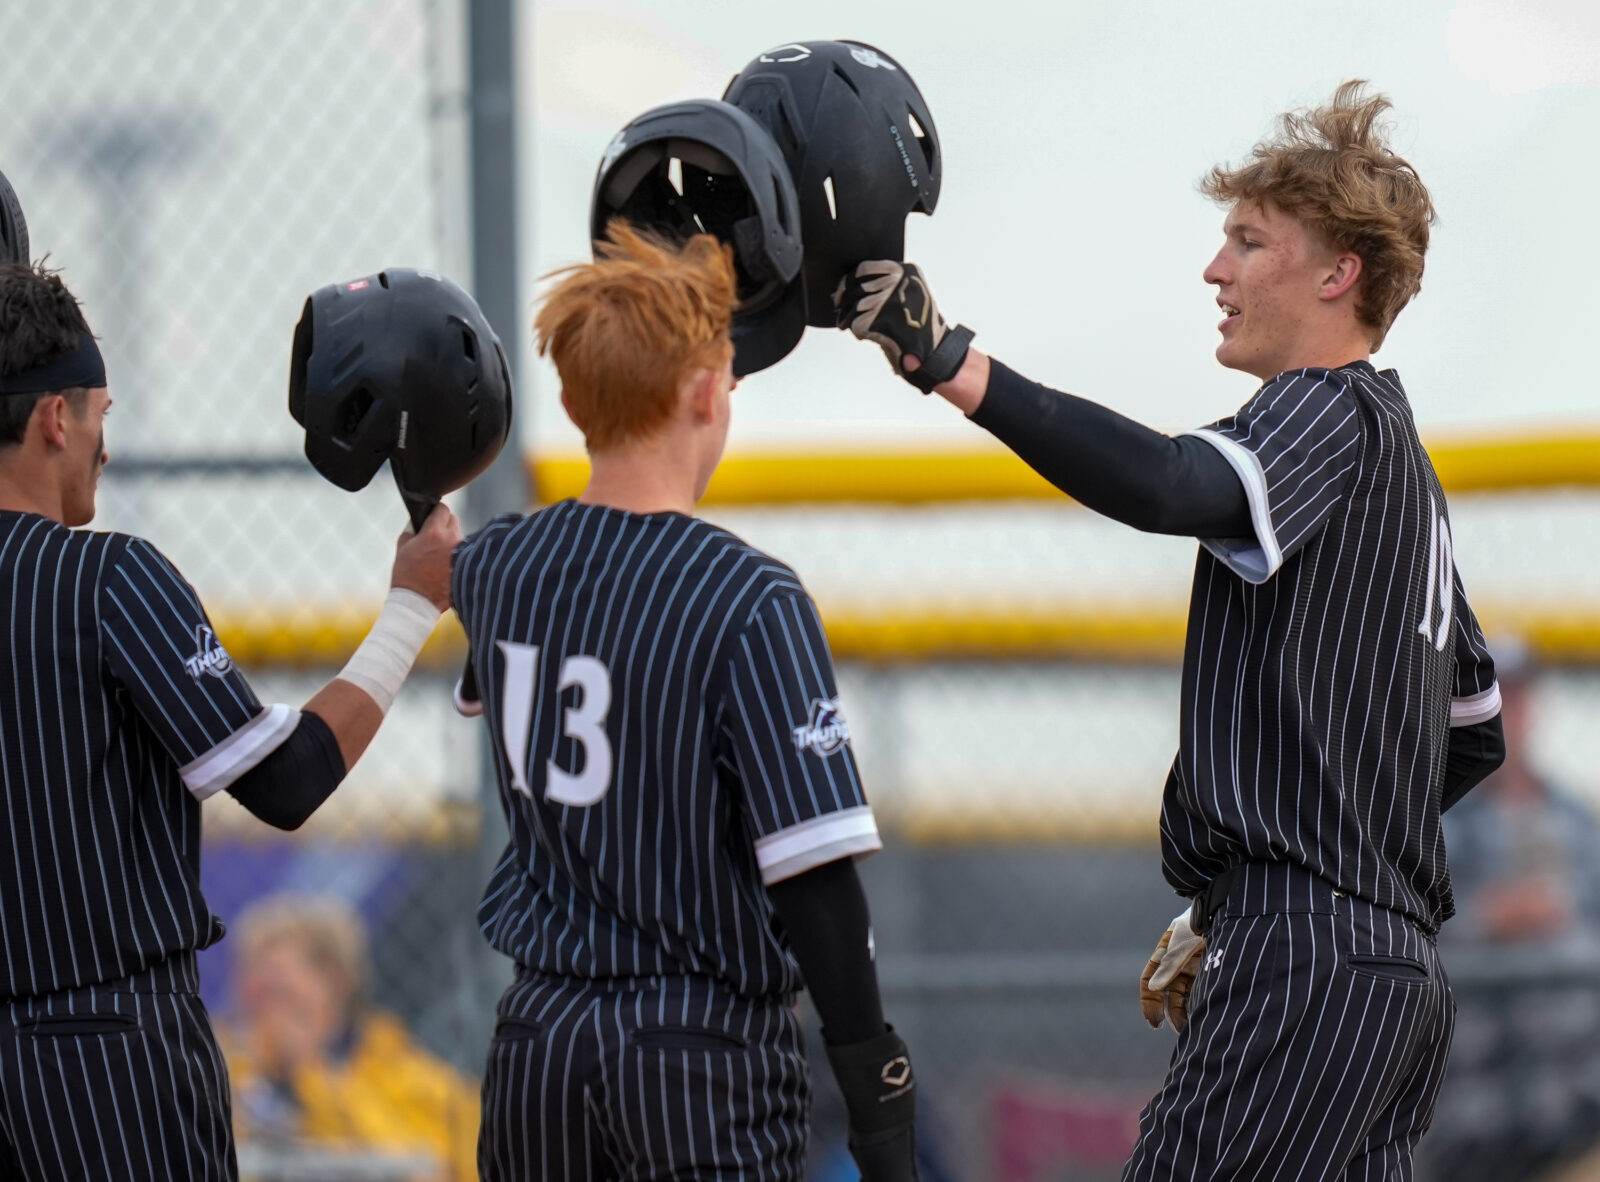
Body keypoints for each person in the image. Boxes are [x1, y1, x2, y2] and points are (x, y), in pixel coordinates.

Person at [836, 81, 1506, 1180]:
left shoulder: (1324, 410)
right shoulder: (1409, 478)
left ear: (1338, 274)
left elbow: (1165, 481)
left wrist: (950, 363)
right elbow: (1470, 729)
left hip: (1309, 959)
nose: (1216, 270)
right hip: (1393, 982)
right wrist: (1322, 870)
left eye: (1248, 241)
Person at [452, 222, 918, 1181]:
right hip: (694, 1051)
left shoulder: (495, 567)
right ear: (709, 390)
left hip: (537, 1042)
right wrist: (877, 1090)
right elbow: (813, 877)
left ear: (576, 400)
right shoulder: (751, 597)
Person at [0, 259, 460, 1181]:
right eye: (100, 414)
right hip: (107, 1061)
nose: (102, 443)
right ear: (57, 417)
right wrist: (411, 609)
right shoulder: (105, 578)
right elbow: (286, 781)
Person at [1426, 642, 1600, 1182]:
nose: (1509, 715)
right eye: (1494, 698)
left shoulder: (1575, 820)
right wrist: (1487, 920)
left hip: (1572, 1099)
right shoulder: (1436, 822)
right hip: (1471, 1106)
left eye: (1517, 699)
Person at [222, 896, 479, 1182]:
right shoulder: (229, 1074)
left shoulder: (411, 1078)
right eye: (258, 994)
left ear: (337, 980)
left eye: (283, 992)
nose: (272, 1017)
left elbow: (418, 1167)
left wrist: (308, 1074)